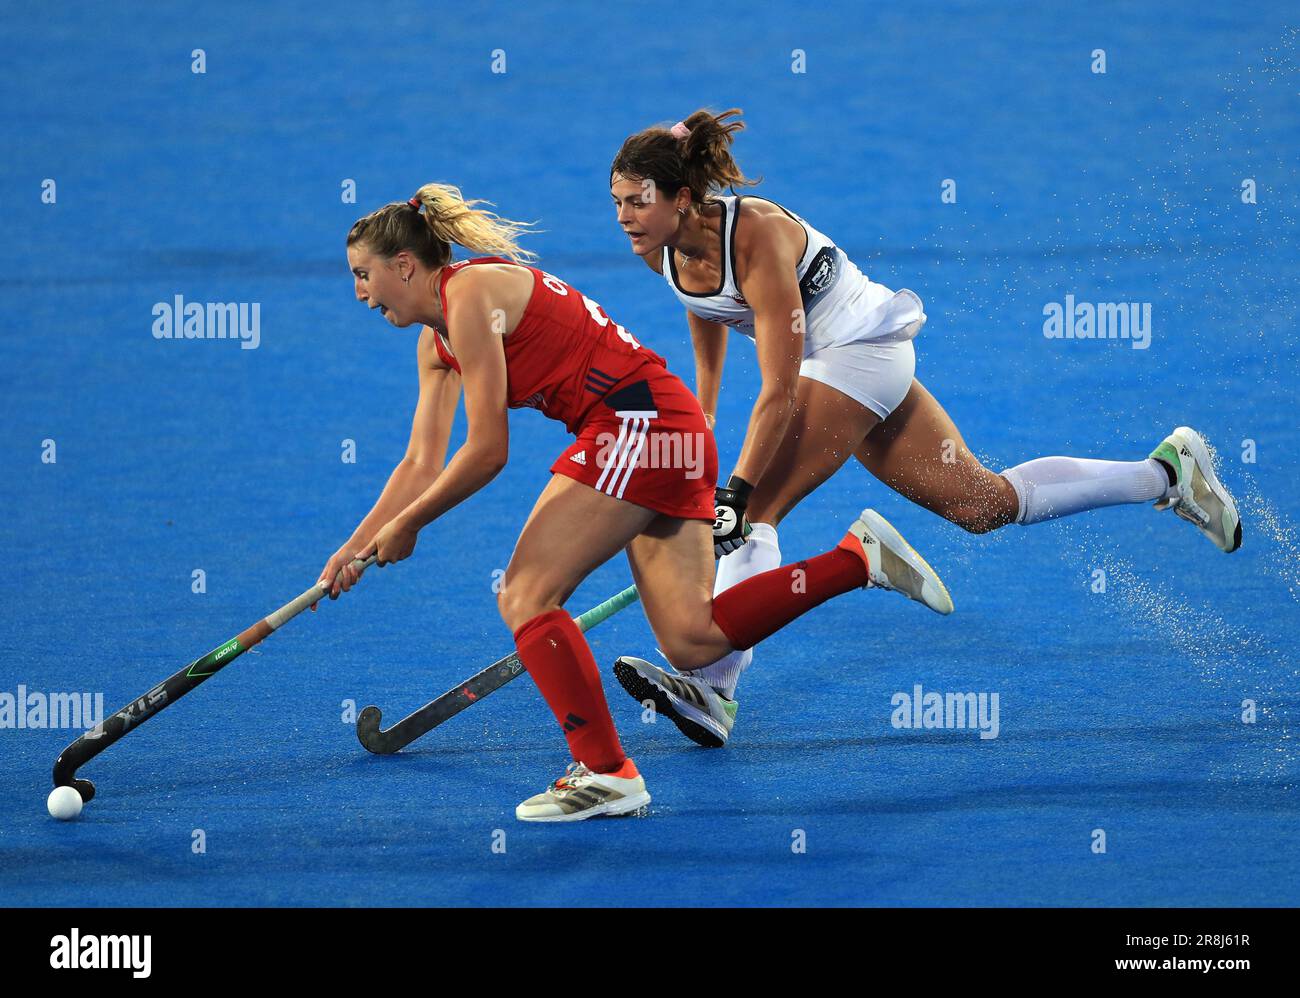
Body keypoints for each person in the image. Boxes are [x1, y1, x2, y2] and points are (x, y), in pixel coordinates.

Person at [315, 183, 953, 821]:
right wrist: (354, 548)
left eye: (364, 275)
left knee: (526, 595)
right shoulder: (438, 342)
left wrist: (411, 526)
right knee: (694, 640)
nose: (359, 293)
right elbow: (419, 463)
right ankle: (856, 559)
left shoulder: (471, 295)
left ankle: (606, 772)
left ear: (405, 266)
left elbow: (487, 451)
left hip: (636, 427)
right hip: (667, 428)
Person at [607, 109, 1243, 748]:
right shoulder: (660, 249)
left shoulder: (757, 238)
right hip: (846, 368)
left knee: (760, 511)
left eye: (638, 201)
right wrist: (704, 417)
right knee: (982, 503)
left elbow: (778, 388)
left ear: (682, 199)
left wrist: (736, 493)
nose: (625, 216)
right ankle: (1166, 473)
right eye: (617, 202)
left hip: (860, 353)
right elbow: (706, 309)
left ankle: (714, 689)